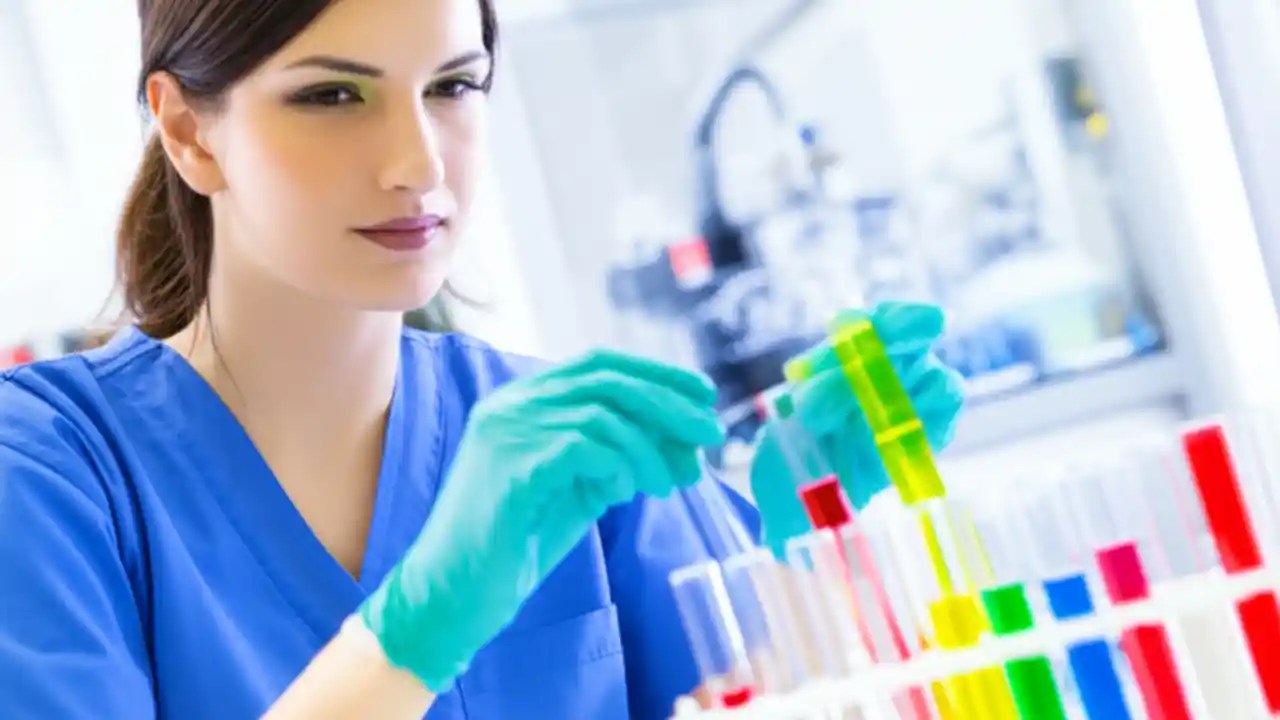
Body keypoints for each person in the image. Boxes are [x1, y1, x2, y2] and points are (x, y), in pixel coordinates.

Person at [0, 0, 963, 718]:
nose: (417, 162)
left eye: (453, 87)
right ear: (186, 130)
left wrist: (807, 559)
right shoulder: (46, 472)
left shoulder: (566, 447)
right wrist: (414, 631)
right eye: (332, 95)